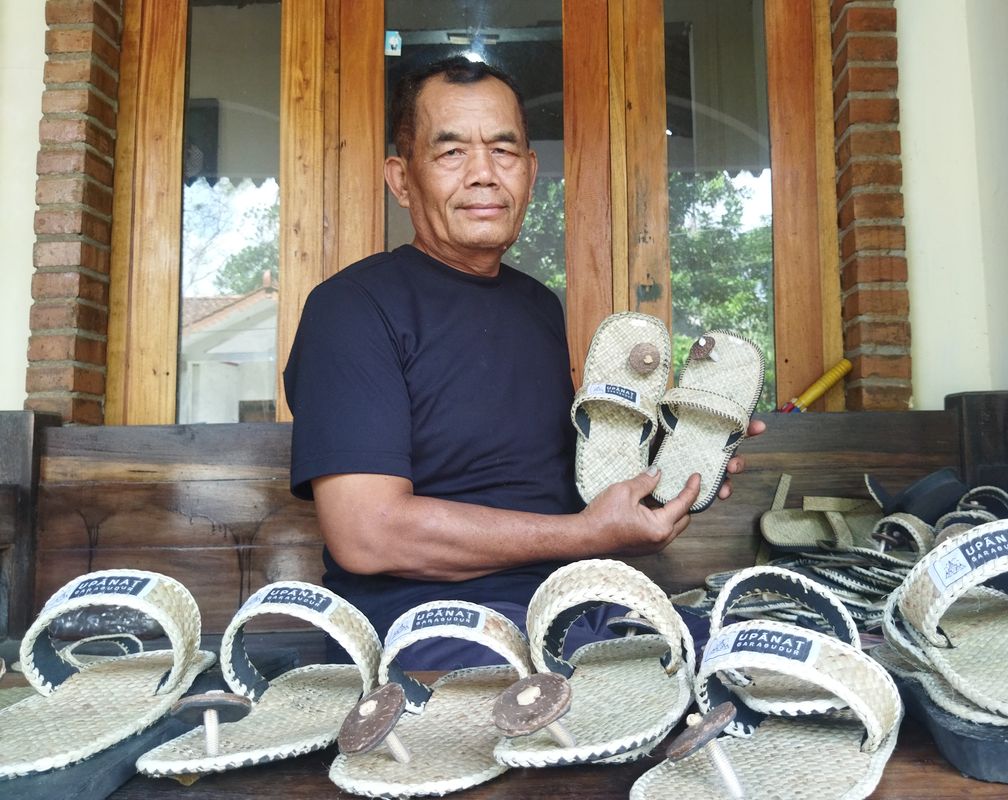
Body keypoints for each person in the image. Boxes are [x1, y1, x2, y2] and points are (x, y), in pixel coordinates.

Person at [283, 56, 763, 667]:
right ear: (402, 180)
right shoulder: (350, 309)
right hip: (423, 623)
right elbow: (367, 533)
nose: (484, 175)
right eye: (451, 152)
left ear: (531, 172)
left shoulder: (537, 306)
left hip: (571, 599)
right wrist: (587, 537)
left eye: (504, 151)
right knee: (611, 701)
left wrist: (666, 475)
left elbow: (550, 492)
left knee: (757, 663)